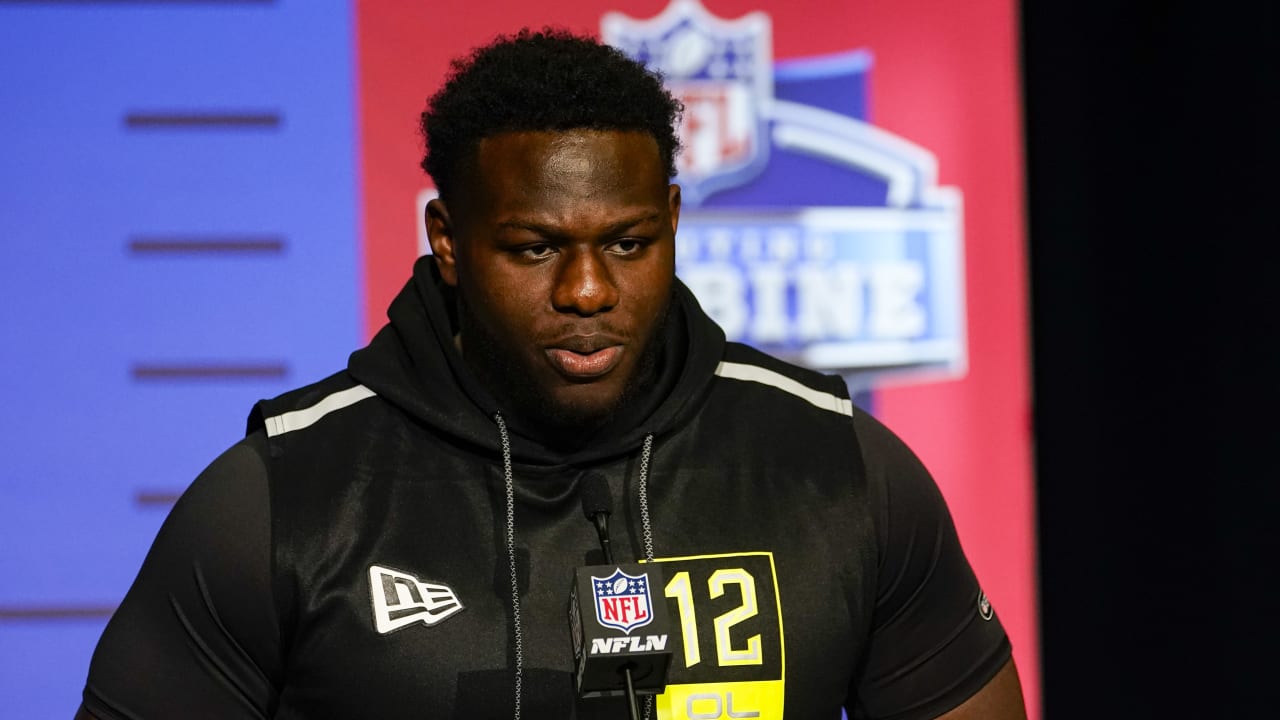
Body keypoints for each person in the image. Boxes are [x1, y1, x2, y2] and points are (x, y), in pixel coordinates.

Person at [78, 29, 1026, 720]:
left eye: (629, 243)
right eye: (534, 248)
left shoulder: (839, 469)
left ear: (672, 221)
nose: (587, 290)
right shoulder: (281, 499)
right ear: (449, 240)